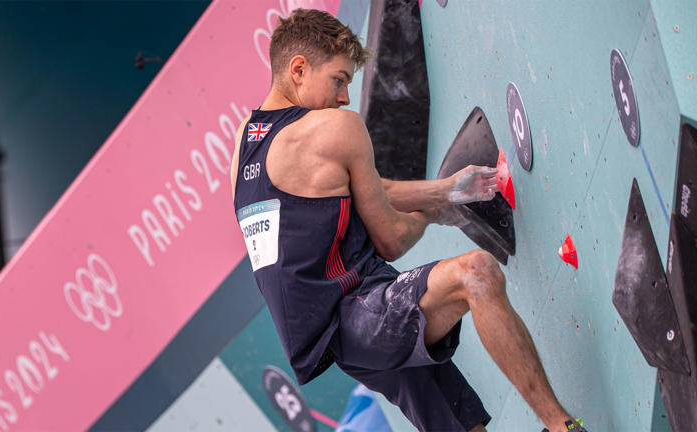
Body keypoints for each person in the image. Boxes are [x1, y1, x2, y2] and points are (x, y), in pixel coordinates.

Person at [230, 8, 586, 432]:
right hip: (359, 313)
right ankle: (562, 427)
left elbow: (363, 190)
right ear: (299, 69)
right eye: (339, 79)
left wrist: (447, 189)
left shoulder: (245, 142)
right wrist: (431, 215)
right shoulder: (335, 128)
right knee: (477, 273)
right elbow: (392, 241)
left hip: (338, 337)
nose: (345, 97)